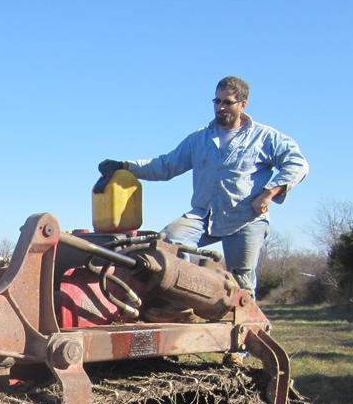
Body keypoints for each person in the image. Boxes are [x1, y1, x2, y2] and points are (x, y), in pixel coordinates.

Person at [97, 76, 308, 296]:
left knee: (241, 284)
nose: (221, 107)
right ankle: (178, 300)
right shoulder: (200, 139)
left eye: (227, 102)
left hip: (245, 217)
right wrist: (125, 166)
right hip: (203, 215)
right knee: (166, 244)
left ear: (242, 104)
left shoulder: (264, 137)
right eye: (216, 102)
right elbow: (165, 165)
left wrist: (269, 193)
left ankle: (246, 327)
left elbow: (297, 164)